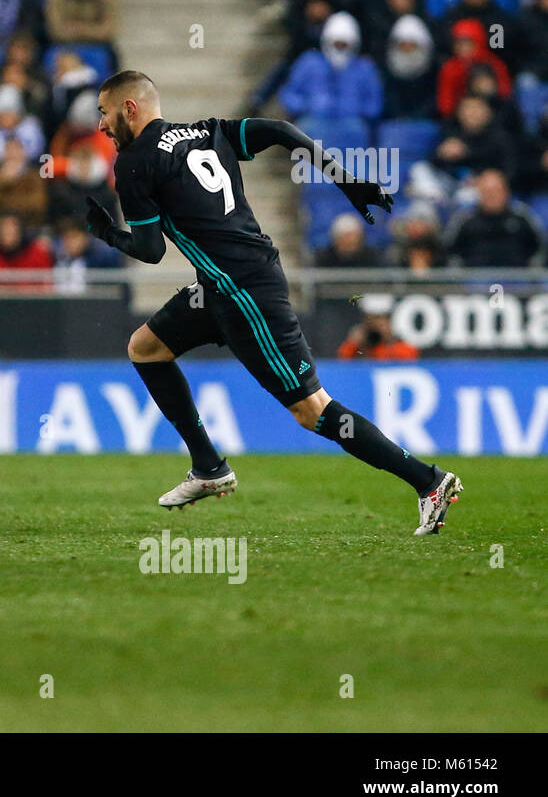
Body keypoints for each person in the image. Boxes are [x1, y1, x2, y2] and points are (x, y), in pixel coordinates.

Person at [84, 70, 462, 535]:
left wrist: (107, 234)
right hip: (220, 287)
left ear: (129, 108)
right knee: (145, 347)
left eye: (103, 112)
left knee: (312, 410)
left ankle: (428, 481)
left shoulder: (136, 162)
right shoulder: (207, 131)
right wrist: (345, 179)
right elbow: (279, 130)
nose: (100, 126)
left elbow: (150, 250)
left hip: (244, 291)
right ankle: (208, 466)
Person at [337, 300, 420, 360]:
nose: (376, 324)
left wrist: (388, 342)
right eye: (371, 319)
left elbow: (410, 359)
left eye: (379, 318)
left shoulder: (401, 345)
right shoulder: (362, 343)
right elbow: (343, 359)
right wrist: (354, 344)